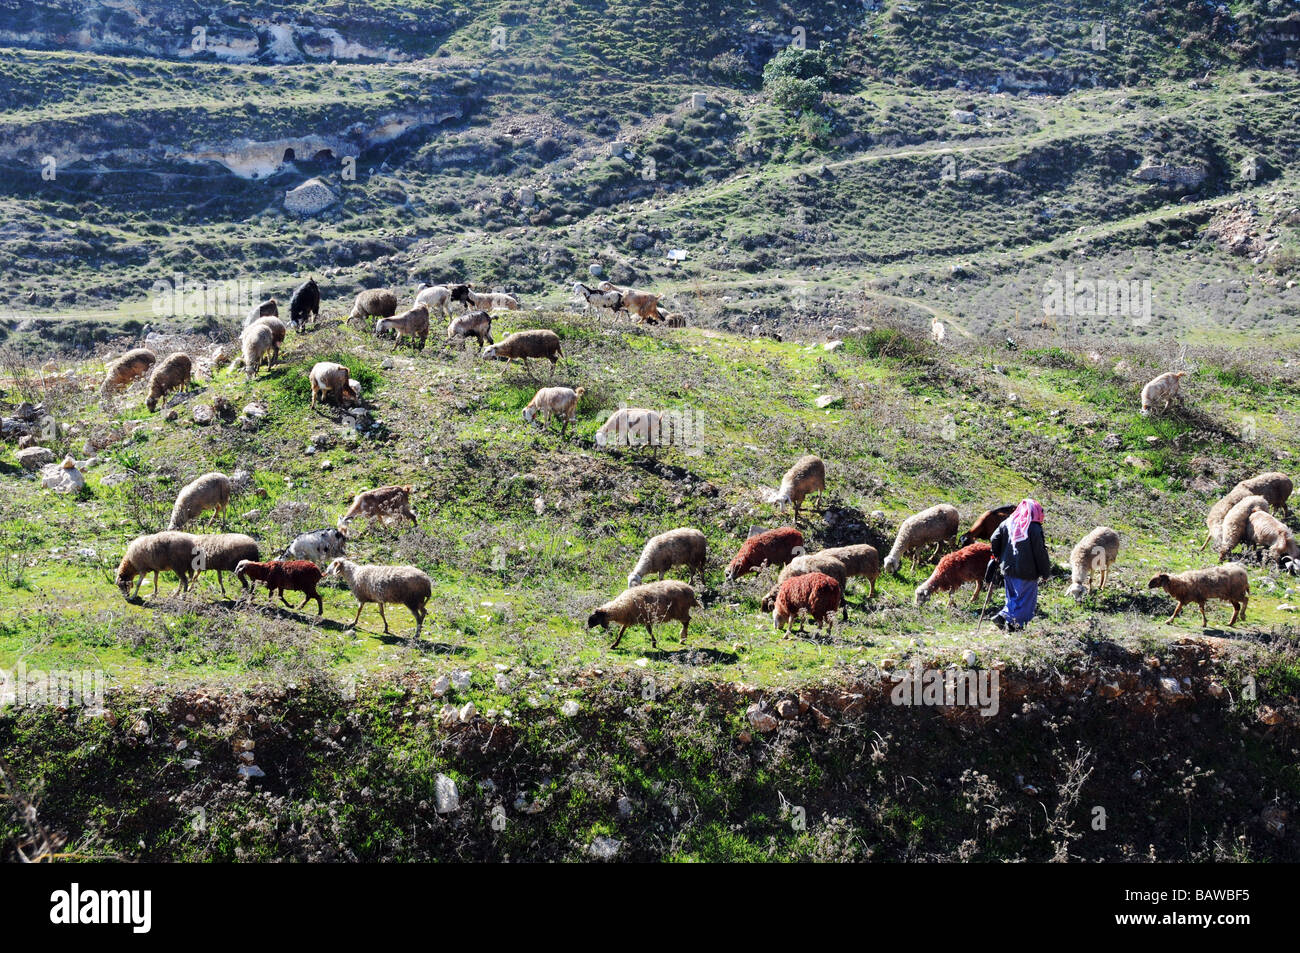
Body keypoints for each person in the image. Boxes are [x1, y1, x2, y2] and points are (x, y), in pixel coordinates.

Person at [987, 498, 1050, 631]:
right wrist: (1045, 572)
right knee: (1026, 601)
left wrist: (998, 555)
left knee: (1013, 598)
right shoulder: (1033, 527)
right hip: (1027, 571)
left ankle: (1006, 620)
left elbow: (994, 539)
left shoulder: (1007, 523)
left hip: (1008, 568)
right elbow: (1040, 552)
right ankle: (1011, 622)